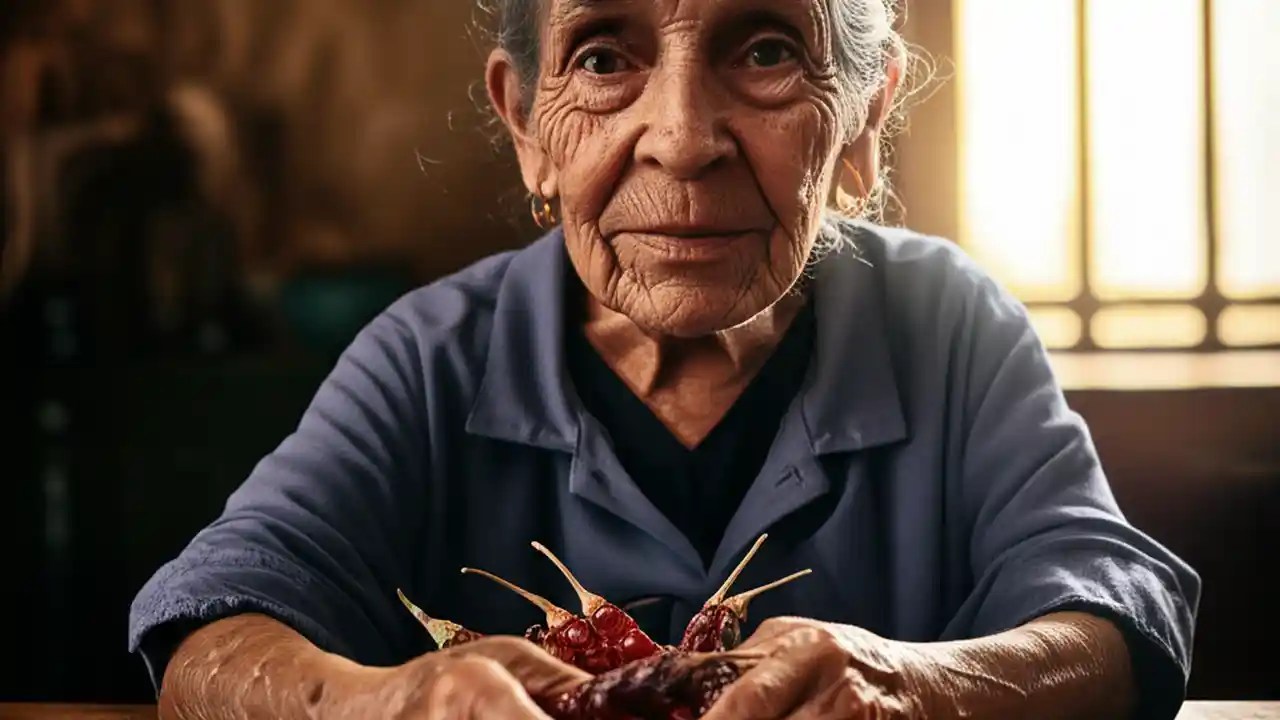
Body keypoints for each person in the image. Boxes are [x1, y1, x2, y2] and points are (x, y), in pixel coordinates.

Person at [129, 0, 1200, 717]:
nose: (682, 137)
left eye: (767, 49)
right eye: (602, 57)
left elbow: (1113, 609)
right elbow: (209, 629)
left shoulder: (945, 321)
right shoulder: (432, 354)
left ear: (865, 126)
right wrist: (385, 703)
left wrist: (914, 685)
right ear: (528, 127)